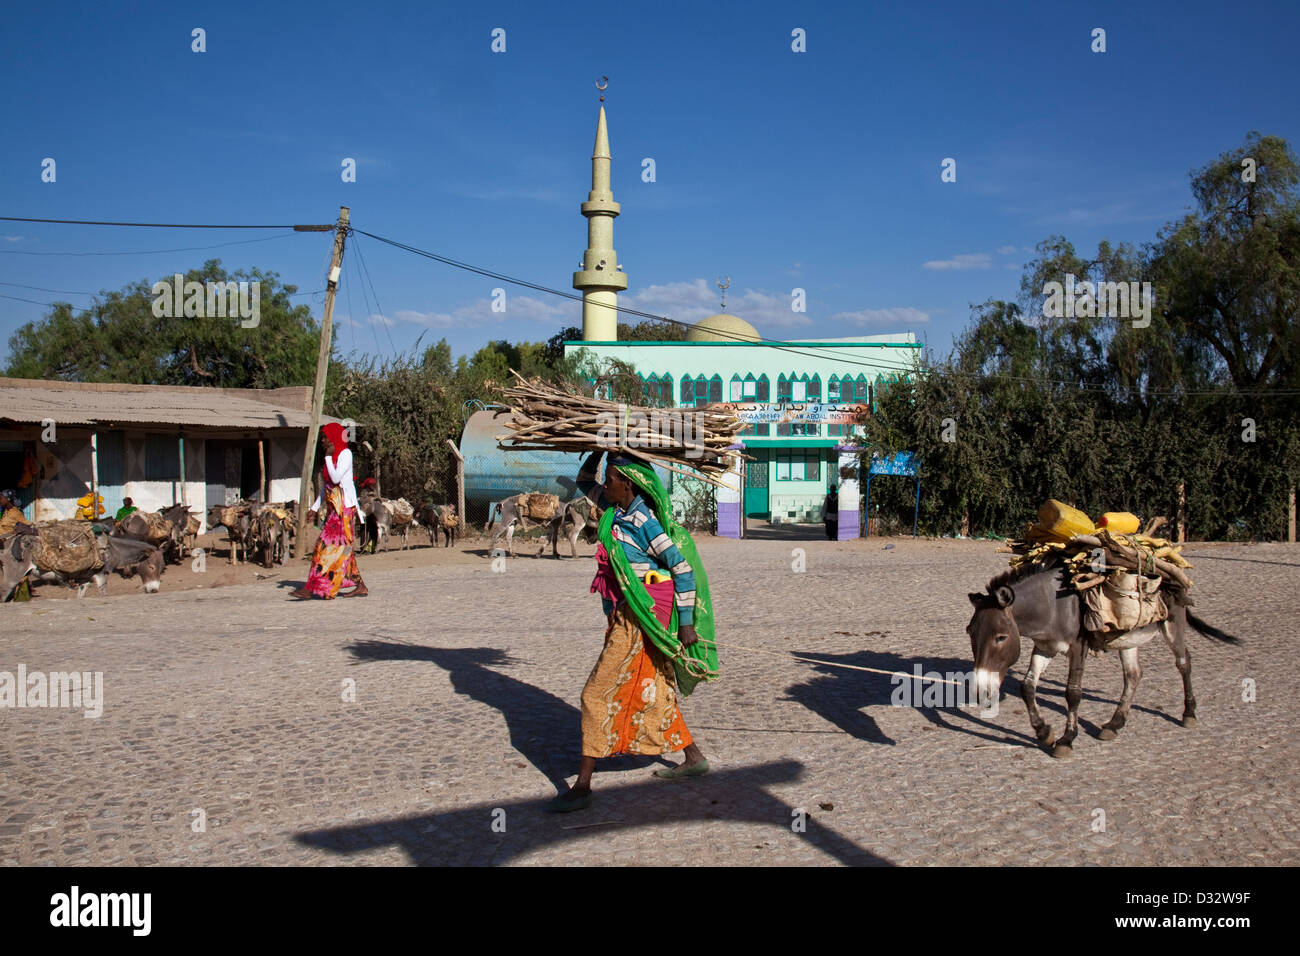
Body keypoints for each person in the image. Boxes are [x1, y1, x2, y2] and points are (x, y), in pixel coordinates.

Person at [547, 450, 720, 813]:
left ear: (628, 483)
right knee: (654, 686)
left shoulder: (644, 521)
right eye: (606, 478)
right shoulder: (615, 510)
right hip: (623, 617)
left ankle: (582, 785)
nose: (604, 484)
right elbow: (582, 482)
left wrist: (686, 622)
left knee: (594, 694)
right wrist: (596, 448)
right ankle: (694, 757)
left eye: (610, 479)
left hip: (641, 619)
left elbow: (683, 570)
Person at [291, 423, 367, 599]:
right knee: (341, 549)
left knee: (326, 547)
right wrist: (314, 508)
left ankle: (311, 588)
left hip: (344, 510)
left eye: (326, 438)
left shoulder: (345, 454)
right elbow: (326, 487)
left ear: (334, 438)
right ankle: (359, 585)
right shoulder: (332, 458)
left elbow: (335, 478)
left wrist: (327, 457)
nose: (323, 441)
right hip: (334, 509)